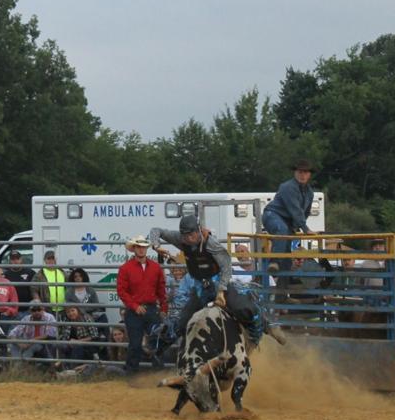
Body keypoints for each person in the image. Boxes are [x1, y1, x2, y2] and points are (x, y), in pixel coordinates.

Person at [149, 215, 284, 349]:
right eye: (185, 235)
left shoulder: (211, 243)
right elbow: (156, 230)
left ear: (198, 231)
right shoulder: (180, 238)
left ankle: (266, 325)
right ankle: (155, 347)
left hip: (218, 282)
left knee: (242, 307)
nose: (189, 239)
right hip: (200, 288)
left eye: (191, 234)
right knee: (181, 322)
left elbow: (226, 265)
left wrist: (221, 289)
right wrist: (155, 245)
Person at [116, 236, 166, 373]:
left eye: (143, 247)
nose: (141, 249)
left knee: (155, 342)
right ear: (134, 249)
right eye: (138, 247)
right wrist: (134, 306)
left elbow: (161, 289)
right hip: (134, 311)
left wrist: (163, 308)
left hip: (150, 309)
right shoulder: (126, 268)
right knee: (135, 344)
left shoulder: (155, 268)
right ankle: (132, 374)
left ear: (146, 248)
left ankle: (157, 373)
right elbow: (121, 290)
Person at [262, 160, 318, 271]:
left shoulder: (309, 192)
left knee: (287, 246)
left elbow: (305, 212)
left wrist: (296, 226)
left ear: (309, 174)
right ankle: (274, 262)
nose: (303, 175)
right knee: (281, 230)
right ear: (295, 173)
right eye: (300, 172)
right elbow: (295, 209)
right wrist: (305, 228)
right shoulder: (287, 187)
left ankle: (284, 279)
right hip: (272, 215)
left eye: (305, 172)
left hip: (287, 221)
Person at [2, 250, 34, 315]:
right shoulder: (5, 275)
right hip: (11, 311)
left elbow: (36, 289)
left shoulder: (30, 272)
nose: (15, 261)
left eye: (17, 259)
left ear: (21, 259)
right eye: (13, 259)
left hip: (27, 310)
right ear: (10, 261)